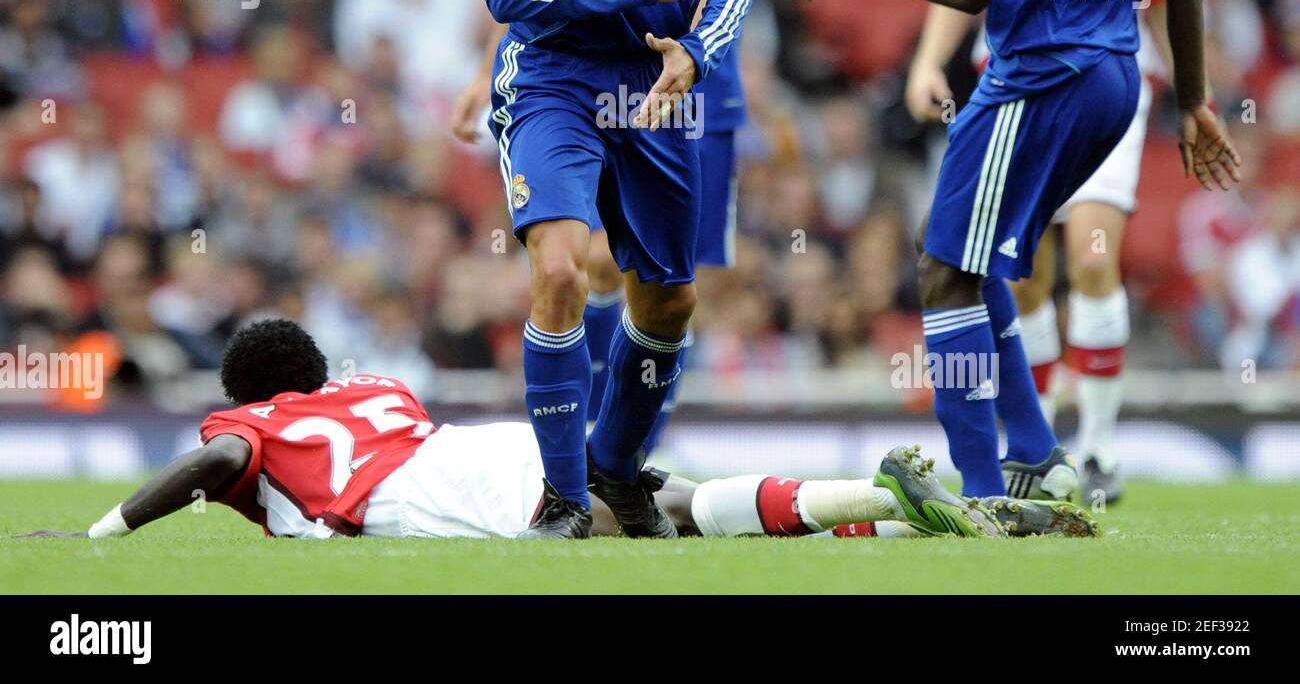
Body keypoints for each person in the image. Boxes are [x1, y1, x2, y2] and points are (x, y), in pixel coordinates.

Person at [801, 0, 1240, 500]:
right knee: (986, 258)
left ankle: (979, 484)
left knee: (941, 269)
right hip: (1115, 78)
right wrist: (1193, 102)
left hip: (1044, 77)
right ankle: (1038, 453)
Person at [466, 0, 757, 539]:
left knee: (667, 299)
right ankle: (562, 503)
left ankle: (616, 469)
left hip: (653, 82)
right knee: (557, 268)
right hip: (554, 76)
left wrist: (696, 54)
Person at [20, 320, 1097, 542]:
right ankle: (895, 511)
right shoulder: (372, 384)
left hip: (434, 495)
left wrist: (97, 538)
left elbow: (219, 457)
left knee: (633, 533)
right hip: (475, 440)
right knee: (663, 501)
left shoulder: (245, 420)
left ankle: (886, 506)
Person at [905, 0, 1220, 504]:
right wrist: (927, 62)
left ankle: (1099, 447)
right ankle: (1037, 440)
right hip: (1015, 90)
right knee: (1024, 274)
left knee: (1090, 253)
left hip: (1102, 80)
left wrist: (1191, 97)